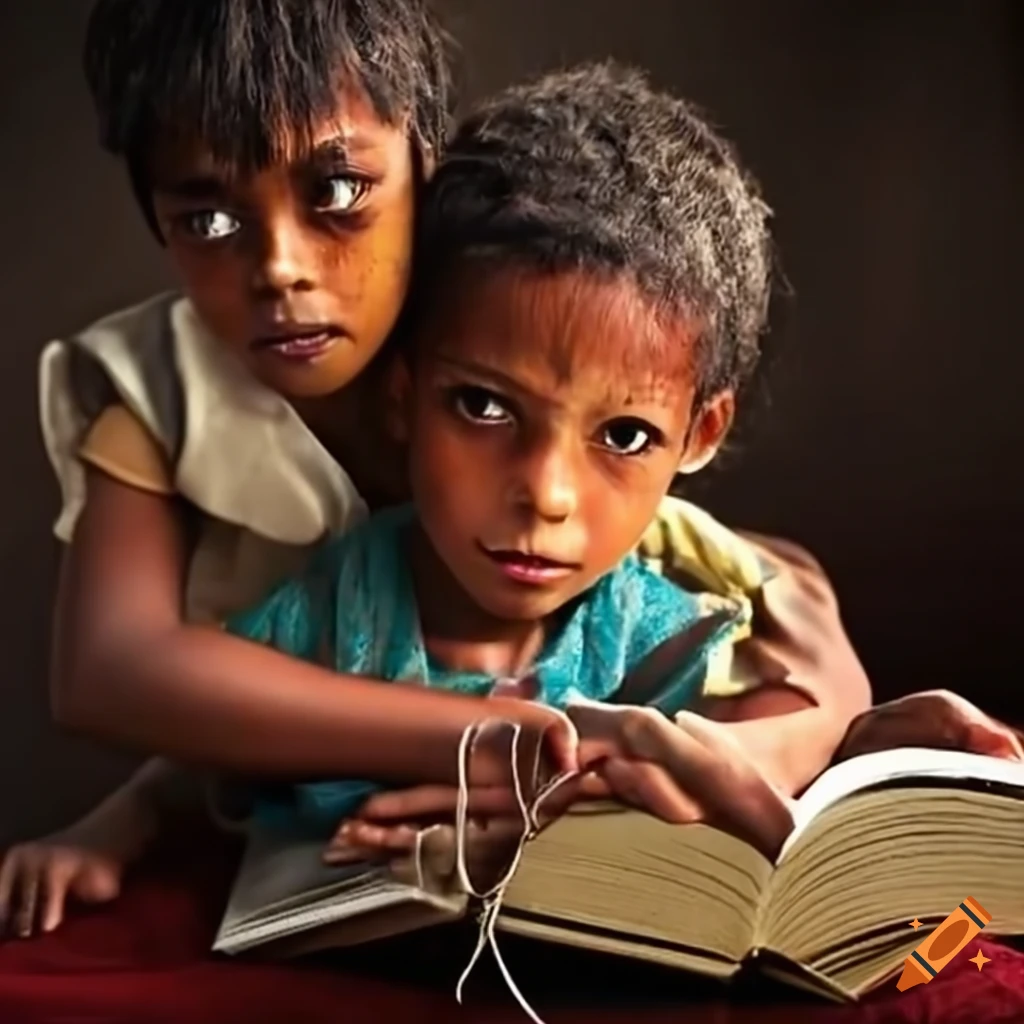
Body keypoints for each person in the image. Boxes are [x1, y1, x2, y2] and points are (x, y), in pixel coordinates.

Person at [0, 0, 990, 938]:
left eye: (336, 193)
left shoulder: (500, 297)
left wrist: (789, 733)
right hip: (299, 797)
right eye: (210, 220)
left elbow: (766, 597)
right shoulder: (163, 387)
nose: (282, 268)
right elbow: (121, 672)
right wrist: (495, 741)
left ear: (425, 163)